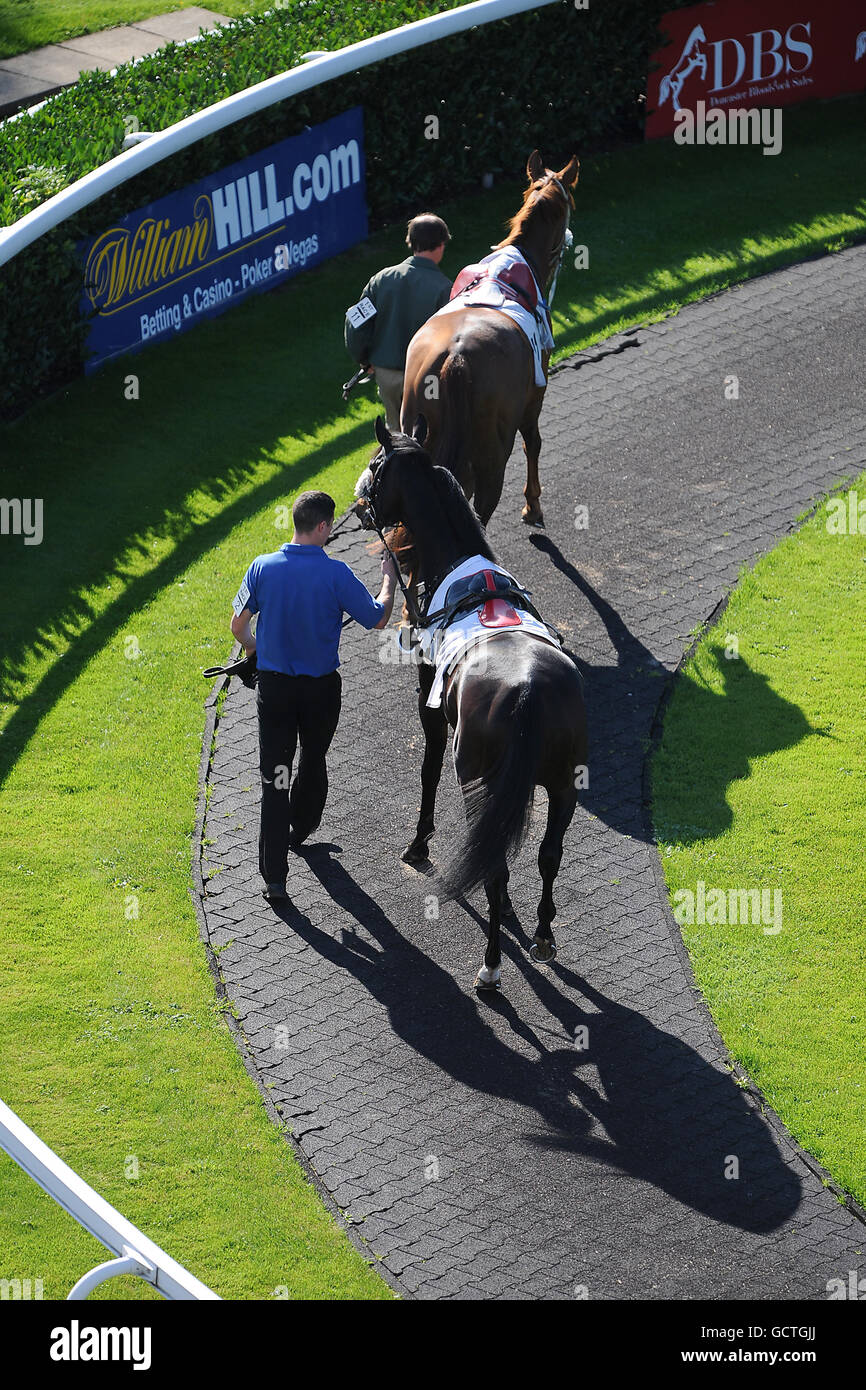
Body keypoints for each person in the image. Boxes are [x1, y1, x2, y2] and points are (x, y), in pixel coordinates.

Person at [230, 490, 398, 903]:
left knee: (274, 778)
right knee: (314, 757)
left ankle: (274, 878)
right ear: (323, 526)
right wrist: (390, 579)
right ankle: (302, 826)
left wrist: (256, 649)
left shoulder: (261, 568)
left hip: (274, 690)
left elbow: (237, 626)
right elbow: (378, 617)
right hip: (320, 691)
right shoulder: (336, 574)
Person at [344, 212, 452, 430]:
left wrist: (364, 360)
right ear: (441, 245)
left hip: (387, 376)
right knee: (429, 433)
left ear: (410, 242)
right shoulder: (445, 290)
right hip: (426, 379)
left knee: (394, 434)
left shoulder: (380, 280)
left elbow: (355, 324)